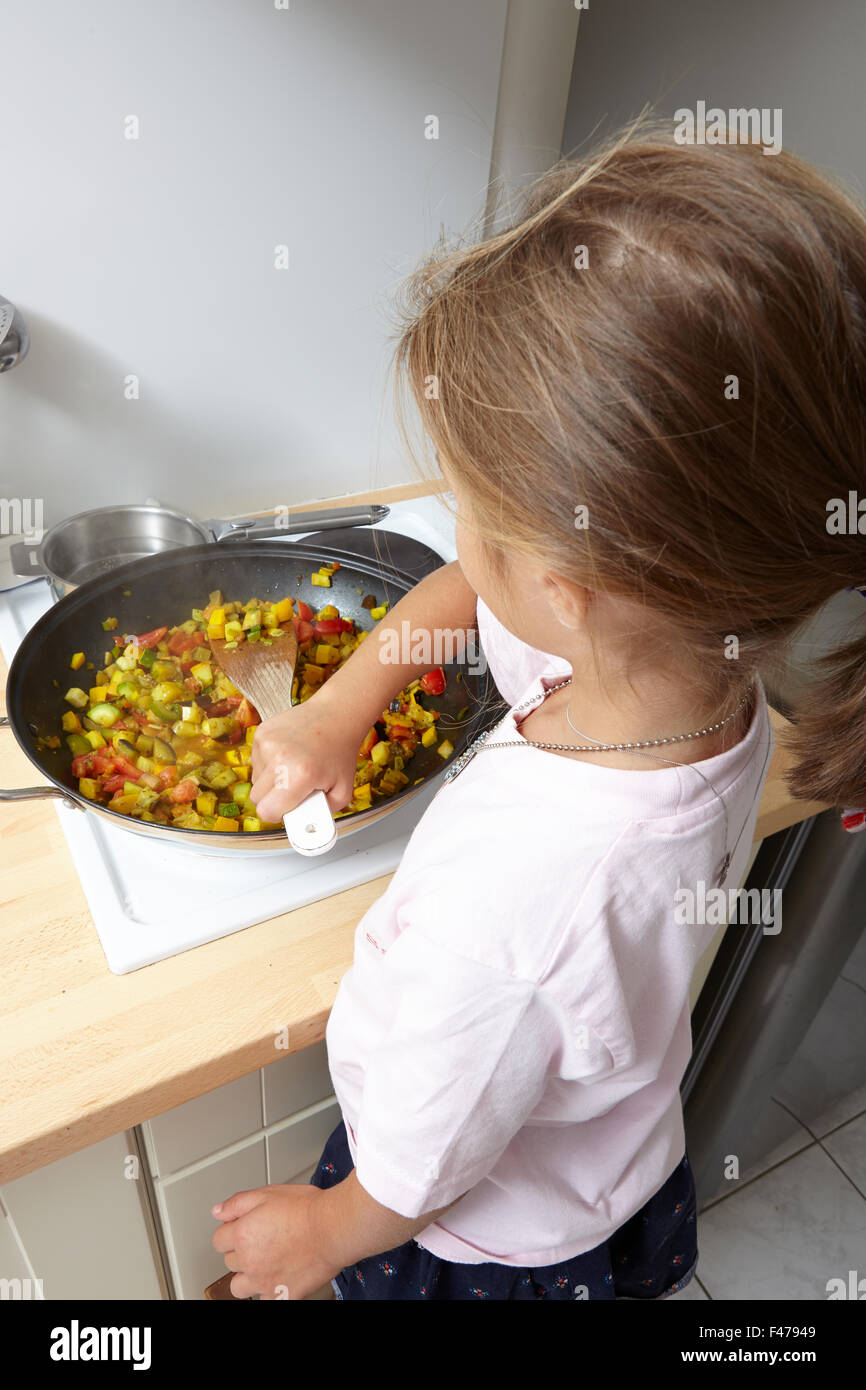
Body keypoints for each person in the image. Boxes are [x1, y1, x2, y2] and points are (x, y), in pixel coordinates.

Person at [211, 115, 866, 1300]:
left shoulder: (513, 909)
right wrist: (344, 705)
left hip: (472, 1239)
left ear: (566, 593)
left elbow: (421, 1160)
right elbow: (479, 586)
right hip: (605, 1161)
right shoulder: (694, 672)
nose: (455, 534)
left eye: (469, 503)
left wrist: (321, 1233)